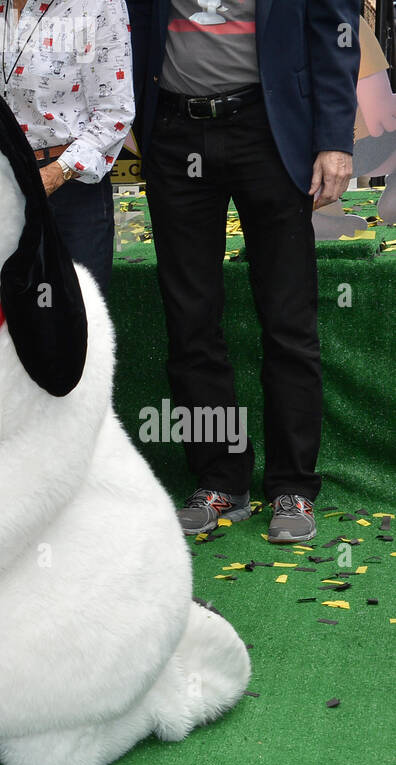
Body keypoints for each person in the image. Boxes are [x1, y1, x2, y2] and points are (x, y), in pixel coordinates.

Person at [126, 0, 363, 543]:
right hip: (175, 134)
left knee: (288, 320)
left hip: (271, 131)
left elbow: (335, 30)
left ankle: (293, 487)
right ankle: (220, 481)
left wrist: (334, 139)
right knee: (191, 321)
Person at [0, 0, 135, 297]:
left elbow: (115, 112)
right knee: (3, 322)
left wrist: (55, 174)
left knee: (75, 321)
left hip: (70, 189)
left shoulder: (99, 4)